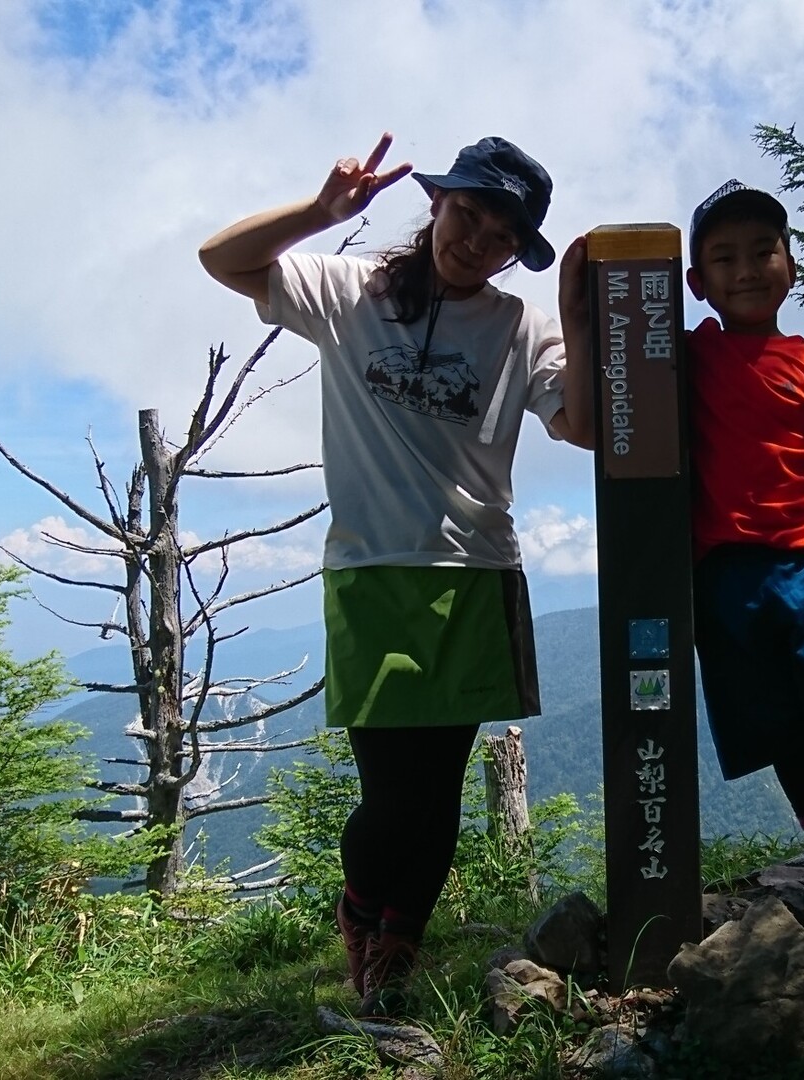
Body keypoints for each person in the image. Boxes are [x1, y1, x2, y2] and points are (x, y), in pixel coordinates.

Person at [199, 133, 592, 1016]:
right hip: (371, 574)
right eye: (468, 215)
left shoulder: (519, 326)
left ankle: (396, 954)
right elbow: (220, 258)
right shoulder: (352, 290)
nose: (477, 242)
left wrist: (575, 310)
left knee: (438, 788)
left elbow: (584, 427)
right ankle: (362, 913)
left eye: (501, 234)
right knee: (388, 796)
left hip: (476, 570)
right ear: (437, 204)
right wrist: (318, 213)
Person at [564, 180, 804, 941]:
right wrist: (585, 313)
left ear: (791, 264)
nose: (746, 270)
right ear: (696, 283)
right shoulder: (685, 357)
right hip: (722, 579)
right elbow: (617, 389)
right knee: (779, 730)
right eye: (724, 258)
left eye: (762, 251)